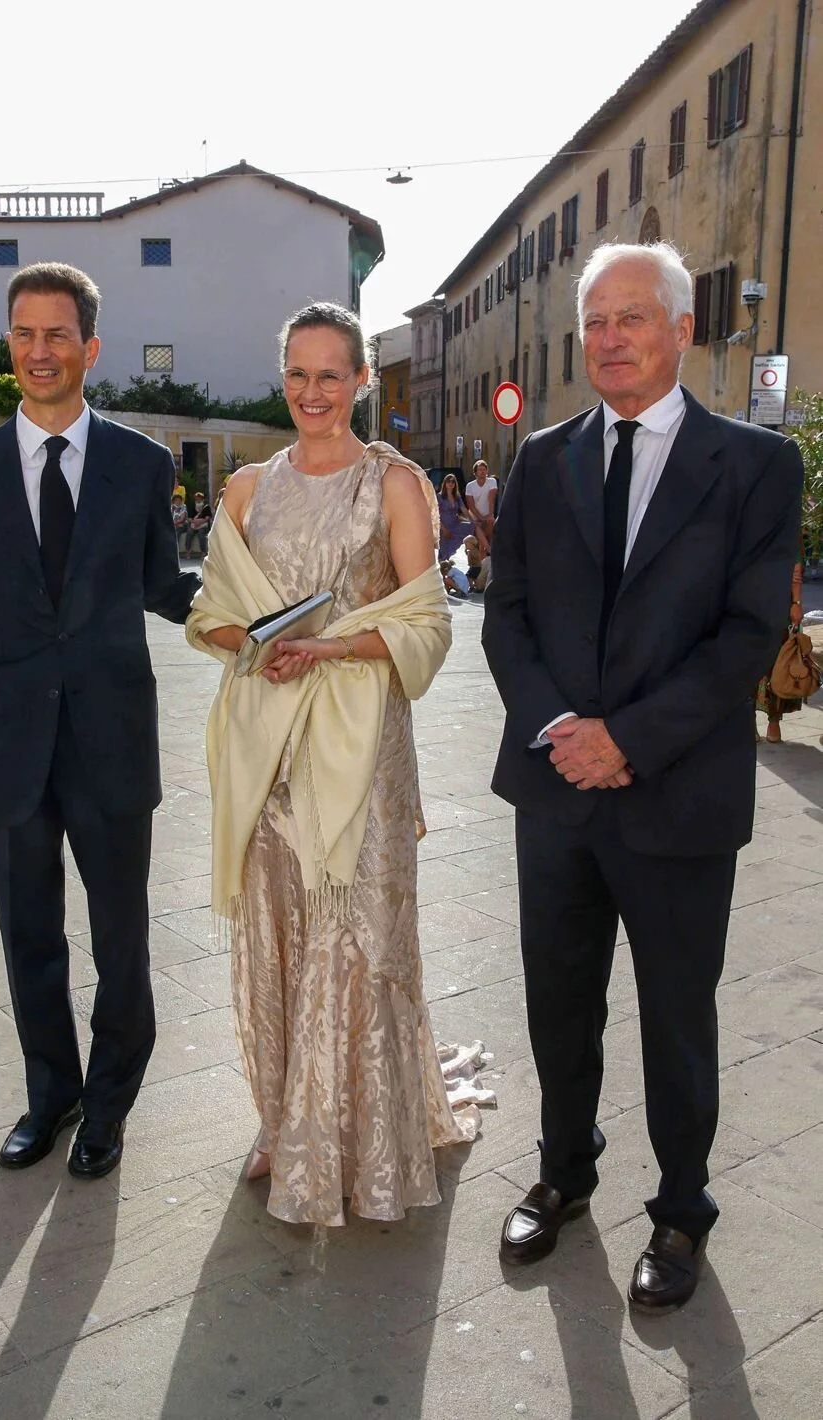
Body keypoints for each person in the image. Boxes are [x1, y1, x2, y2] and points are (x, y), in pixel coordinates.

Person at [482, 242, 803, 1312]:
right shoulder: (542, 459)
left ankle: (680, 1208)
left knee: (676, 1015)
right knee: (557, 1002)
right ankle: (563, 1173)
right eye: (595, 321)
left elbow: (745, 632)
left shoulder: (755, 465)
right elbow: (507, 615)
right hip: (555, 791)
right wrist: (559, 728)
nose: (609, 338)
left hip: (679, 794)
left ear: (681, 329)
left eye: (632, 317)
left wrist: (628, 738)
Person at [185, 300, 480, 1226]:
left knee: (355, 938)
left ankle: (367, 1139)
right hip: (267, 749)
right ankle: (286, 1122)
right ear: (283, 380)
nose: (313, 392)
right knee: (280, 932)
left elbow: (426, 625)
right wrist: (261, 644)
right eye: (298, 374)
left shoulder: (394, 486)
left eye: (331, 374)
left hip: (360, 751)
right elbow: (210, 615)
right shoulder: (246, 491)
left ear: (360, 380)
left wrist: (331, 647)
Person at [0, 262, 200, 1182]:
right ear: (9, 345)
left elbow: (164, 586)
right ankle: (52, 1095)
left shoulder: (142, 464)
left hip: (111, 739)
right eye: (24, 334)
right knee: (28, 935)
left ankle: (109, 1102)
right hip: (4, 747)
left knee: (121, 937)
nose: (40, 352)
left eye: (57, 334)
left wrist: (254, 607)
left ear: (90, 346)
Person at [754, 557, 805, 743]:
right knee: (771, 666)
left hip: (768, 610)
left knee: (775, 665)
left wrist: (796, 603)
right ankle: (766, 723)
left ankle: (770, 722)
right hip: (756, 609)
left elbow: (796, 574)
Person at [465, 459, 498, 555]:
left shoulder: (492, 482)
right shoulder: (470, 486)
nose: (482, 472)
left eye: (484, 469)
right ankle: (488, 549)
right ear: (475, 472)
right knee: (477, 527)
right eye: (480, 470)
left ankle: (489, 551)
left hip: (488, 513)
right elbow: (471, 505)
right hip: (475, 515)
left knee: (490, 523)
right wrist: (480, 518)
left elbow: (491, 500)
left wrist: (489, 515)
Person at [437, 472, 470, 560]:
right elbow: (436, 515)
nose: (451, 483)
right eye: (448, 481)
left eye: (453, 482)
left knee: (473, 526)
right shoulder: (440, 496)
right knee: (444, 554)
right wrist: (443, 529)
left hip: (455, 524)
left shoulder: (457, 496)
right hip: (444, 526)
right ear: (445, 483)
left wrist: (471, 520)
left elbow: (463, 509)